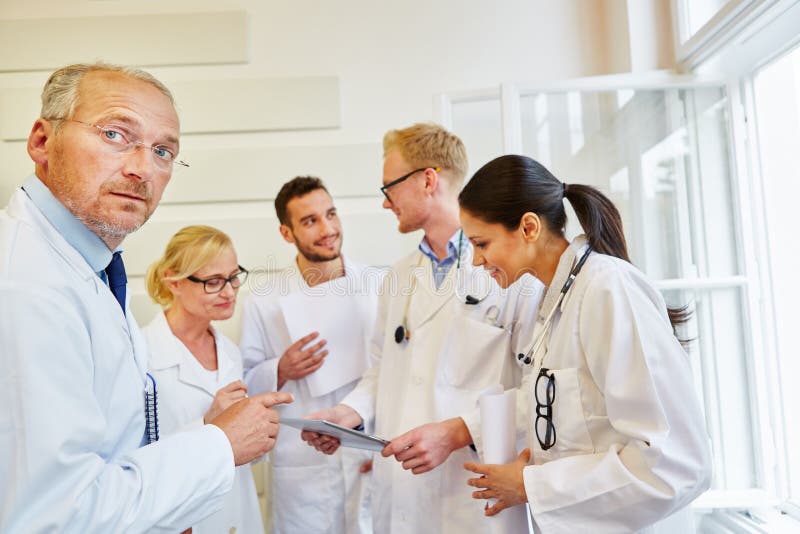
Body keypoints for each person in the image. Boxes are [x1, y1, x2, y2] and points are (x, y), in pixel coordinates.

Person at [0, 63, 291, 533]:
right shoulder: (26, 286)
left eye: (162, 151)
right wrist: (218, 444)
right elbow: (58, 517)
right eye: (114, 134)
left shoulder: (89, 271)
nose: (141, 168)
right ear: (41, 141)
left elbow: (116, 448)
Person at [302, 123, 541, 533]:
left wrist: (457, 431)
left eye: (389, 188)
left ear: (428, 180)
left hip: (470, 493)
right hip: (401, 492)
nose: (385, 203)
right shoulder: (398, 277)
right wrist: (350, 414)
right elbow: (382, 370)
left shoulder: (512, 274)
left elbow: (538, 388)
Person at [459, 154, 712, 533]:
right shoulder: (558, 301)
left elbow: (674, 463)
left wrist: (532, 485)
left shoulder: (608, 289)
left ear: (528, 227)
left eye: (482, 243)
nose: (477, 260)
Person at [239, 176, 377, 534]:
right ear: (287, 234)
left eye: (331, 214)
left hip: (368, 453)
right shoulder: (264, 301)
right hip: (303, 469)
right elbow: (245, 384)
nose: (327, 229)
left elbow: (396, 372)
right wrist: (280, 369)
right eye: (310, 221)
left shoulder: (377, 287)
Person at [143, 225, 263, 534]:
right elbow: (131, 458)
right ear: (174, 281)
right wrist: (208, 426)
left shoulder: (230, 353)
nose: (229, 291)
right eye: (213, 282)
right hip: (183, 521)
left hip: (240, 513)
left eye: (234, 277)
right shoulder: (142, 357)